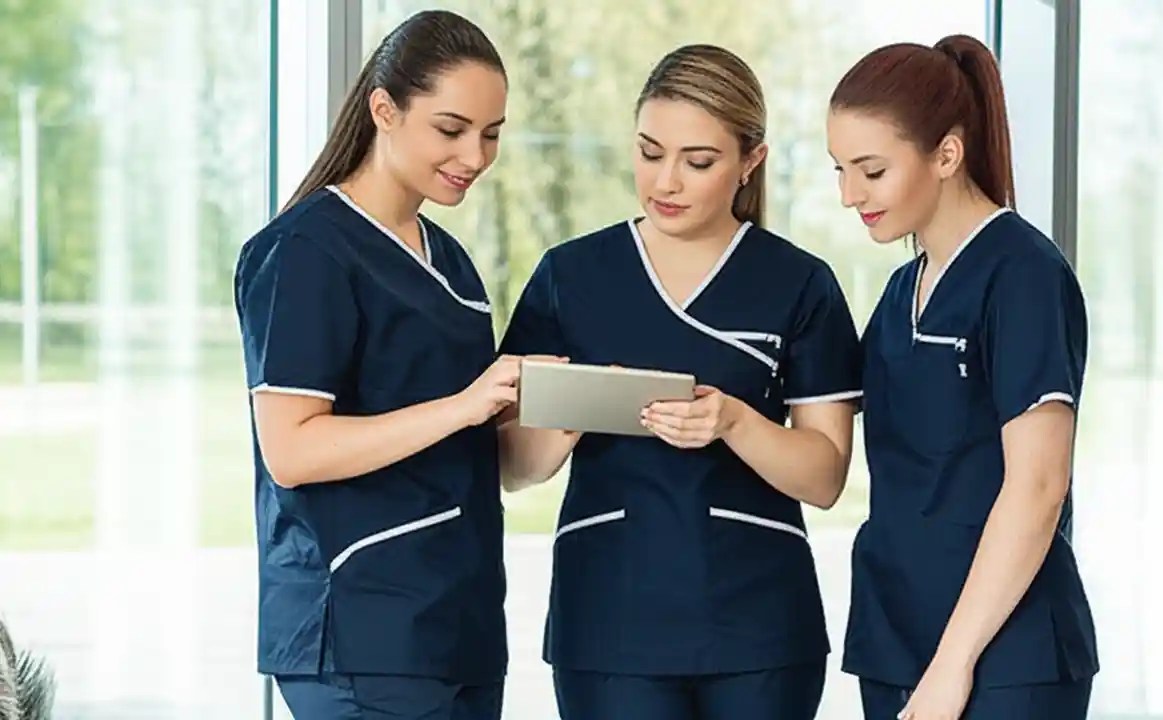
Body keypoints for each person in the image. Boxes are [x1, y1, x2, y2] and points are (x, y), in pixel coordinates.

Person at [496, 44, 863, 720]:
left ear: (750, 161)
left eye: (697, 162)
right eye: (649, 152)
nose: (665, 182)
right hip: (609, 621)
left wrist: (735, 422)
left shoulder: (800, 284)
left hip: (759, 628)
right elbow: (514, 470)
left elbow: (824, 478)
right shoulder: (569, 277)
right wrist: (573, 411)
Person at [233, 11, 521, 719]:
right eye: (451, 129)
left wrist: (559, 409)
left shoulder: (451, 262)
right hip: (360, 632)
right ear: (384, 110)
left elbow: (475, 455)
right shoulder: (306, 251)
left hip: (459, 628)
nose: (475, 156)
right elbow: (292, 450)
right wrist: (464, 405)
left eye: (490, 134)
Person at [826, 34, 1099, 720]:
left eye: (871, 171)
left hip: (1003, 658)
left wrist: (954, 664)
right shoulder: (901, 293)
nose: (850, 195)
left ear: (947, 154)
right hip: (895, 642)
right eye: (840, 171)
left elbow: (1038, 487)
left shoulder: (1024, 275)